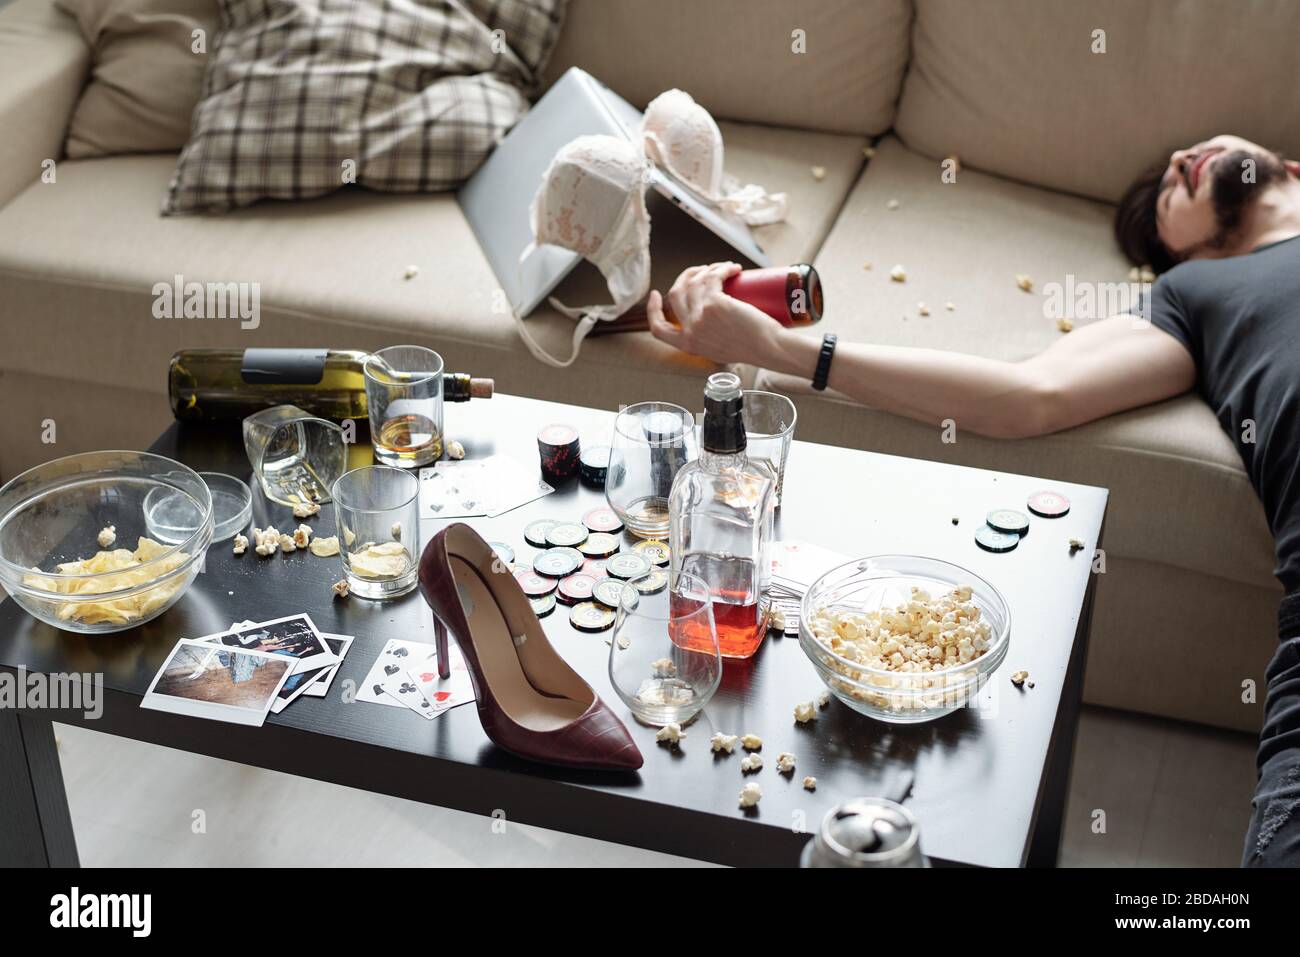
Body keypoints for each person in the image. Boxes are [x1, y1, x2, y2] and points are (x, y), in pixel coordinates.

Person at [646, 134, 1300, 867]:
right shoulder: (1199, 296)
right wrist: (780, 348)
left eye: (1197, 153)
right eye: (1171, 194)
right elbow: (1029, 397)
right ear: (1187, 258)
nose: (1183, 158)